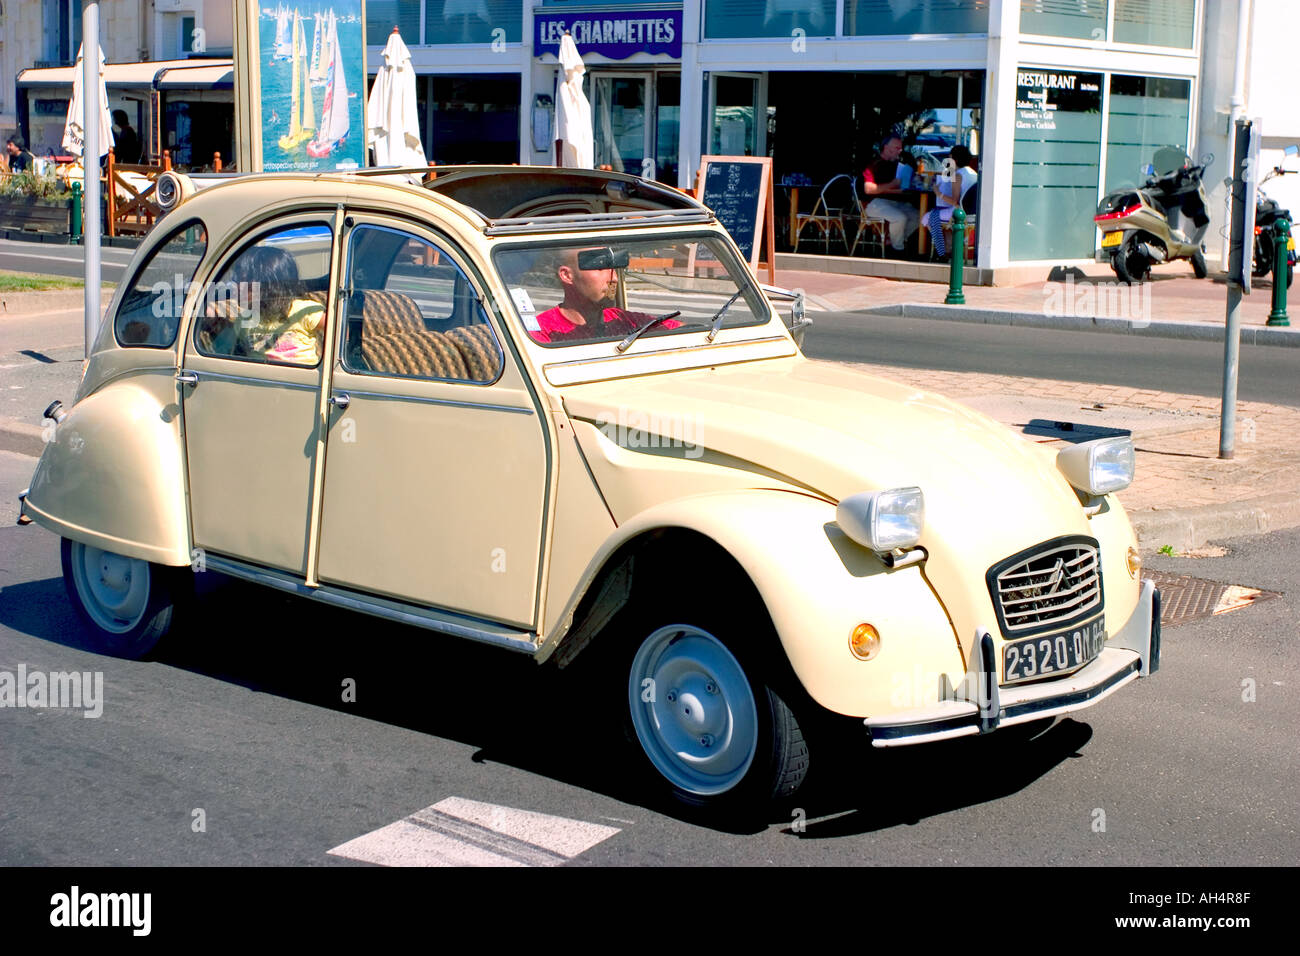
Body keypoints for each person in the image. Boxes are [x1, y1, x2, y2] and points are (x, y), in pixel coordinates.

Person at [200, 245, 325, 365]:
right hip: (261, 379)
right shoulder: (245, 318)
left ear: (264, 285)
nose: (233, 285)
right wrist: (212, 317)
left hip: (301, 380)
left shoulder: (301, 310)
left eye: (238, 278)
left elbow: (337, 330)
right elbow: (228, 345)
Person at [529, 247, 681, 344]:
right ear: (567, 275)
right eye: (599, 268)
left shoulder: (623, 320)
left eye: (612, 269)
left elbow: (685, 332)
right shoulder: (541, 333)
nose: (613, 279)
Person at [861, 134, 920, 256]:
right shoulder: (874, 164)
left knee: (919, 216)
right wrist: (892, 184)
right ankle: (897, 250)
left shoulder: (896, 165)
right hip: (875, 203)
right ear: (886, 147)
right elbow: (868, 189)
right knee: (900, 218)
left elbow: (899, 185)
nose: (900, 151)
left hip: (895, 202)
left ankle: (892, 241)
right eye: (897, 148)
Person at [923, 145, 979, 261]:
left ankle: (942, 252)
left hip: (959, 213)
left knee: (927, 217)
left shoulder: (957, 175)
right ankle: (948, 249)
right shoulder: (973, 173)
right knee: (941, 219)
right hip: (971, 213)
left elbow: (954, 201)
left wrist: (938, 193)